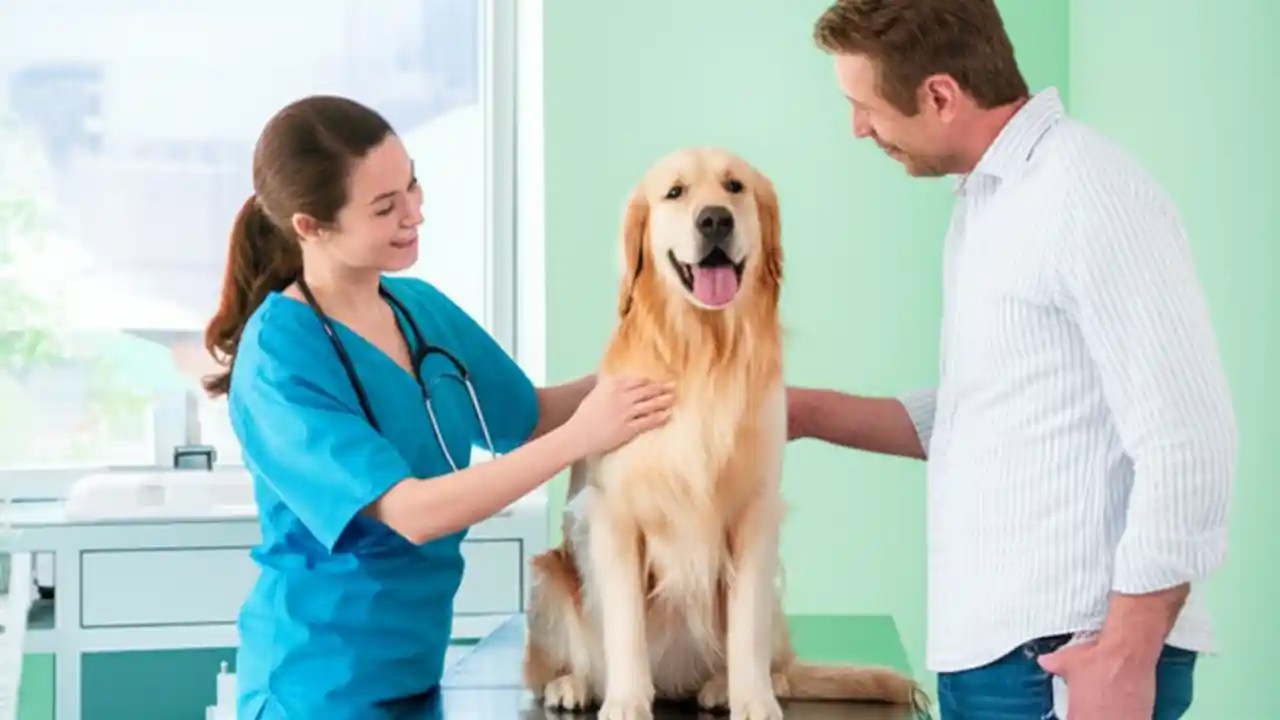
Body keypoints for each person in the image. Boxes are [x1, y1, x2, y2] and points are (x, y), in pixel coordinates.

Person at [792, 2, 1237, 719]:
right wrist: (798, 411)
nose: (859, 128)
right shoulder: (994, 204)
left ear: (939, 94)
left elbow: (1190, 438)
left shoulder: (1084, 190)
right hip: (1000, 656)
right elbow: (990, 416)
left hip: (1066, 659)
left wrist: (1123, 658)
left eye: (865, 106)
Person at [202, 95, 674, 719]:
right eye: (384, 206)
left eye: (413, 185)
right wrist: (585, 436)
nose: (414, 213)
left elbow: (529, 416)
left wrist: (656, 367)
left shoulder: (418, 309)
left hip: (416, 673)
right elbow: (412, 512)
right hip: (316, 688)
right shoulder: (279, 360)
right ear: (310, 227)